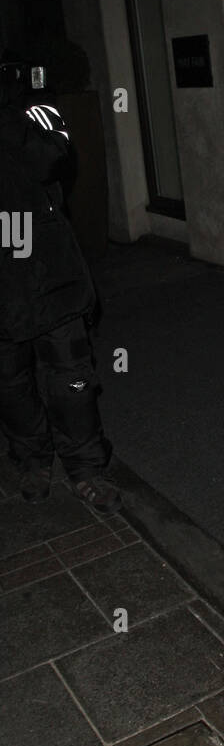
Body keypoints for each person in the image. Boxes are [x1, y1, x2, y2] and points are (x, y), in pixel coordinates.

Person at [0, 59, 121, 514]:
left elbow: (51, 158)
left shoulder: (32, 104)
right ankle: (32, 460)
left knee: (71, 379)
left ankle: (86, 470)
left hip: (49, 269)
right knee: (9, 382)